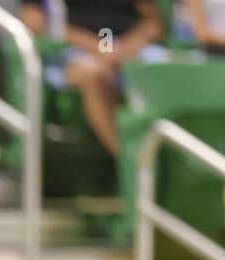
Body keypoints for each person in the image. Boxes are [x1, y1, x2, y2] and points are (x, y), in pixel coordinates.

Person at [20, 1, 168, 156]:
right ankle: (131, 163)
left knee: (169, 69)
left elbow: (153, 23)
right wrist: (98, 47)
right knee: (93, 74)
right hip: (71, 51)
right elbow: (33, 19)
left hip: (129, 49)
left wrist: (119, 51)